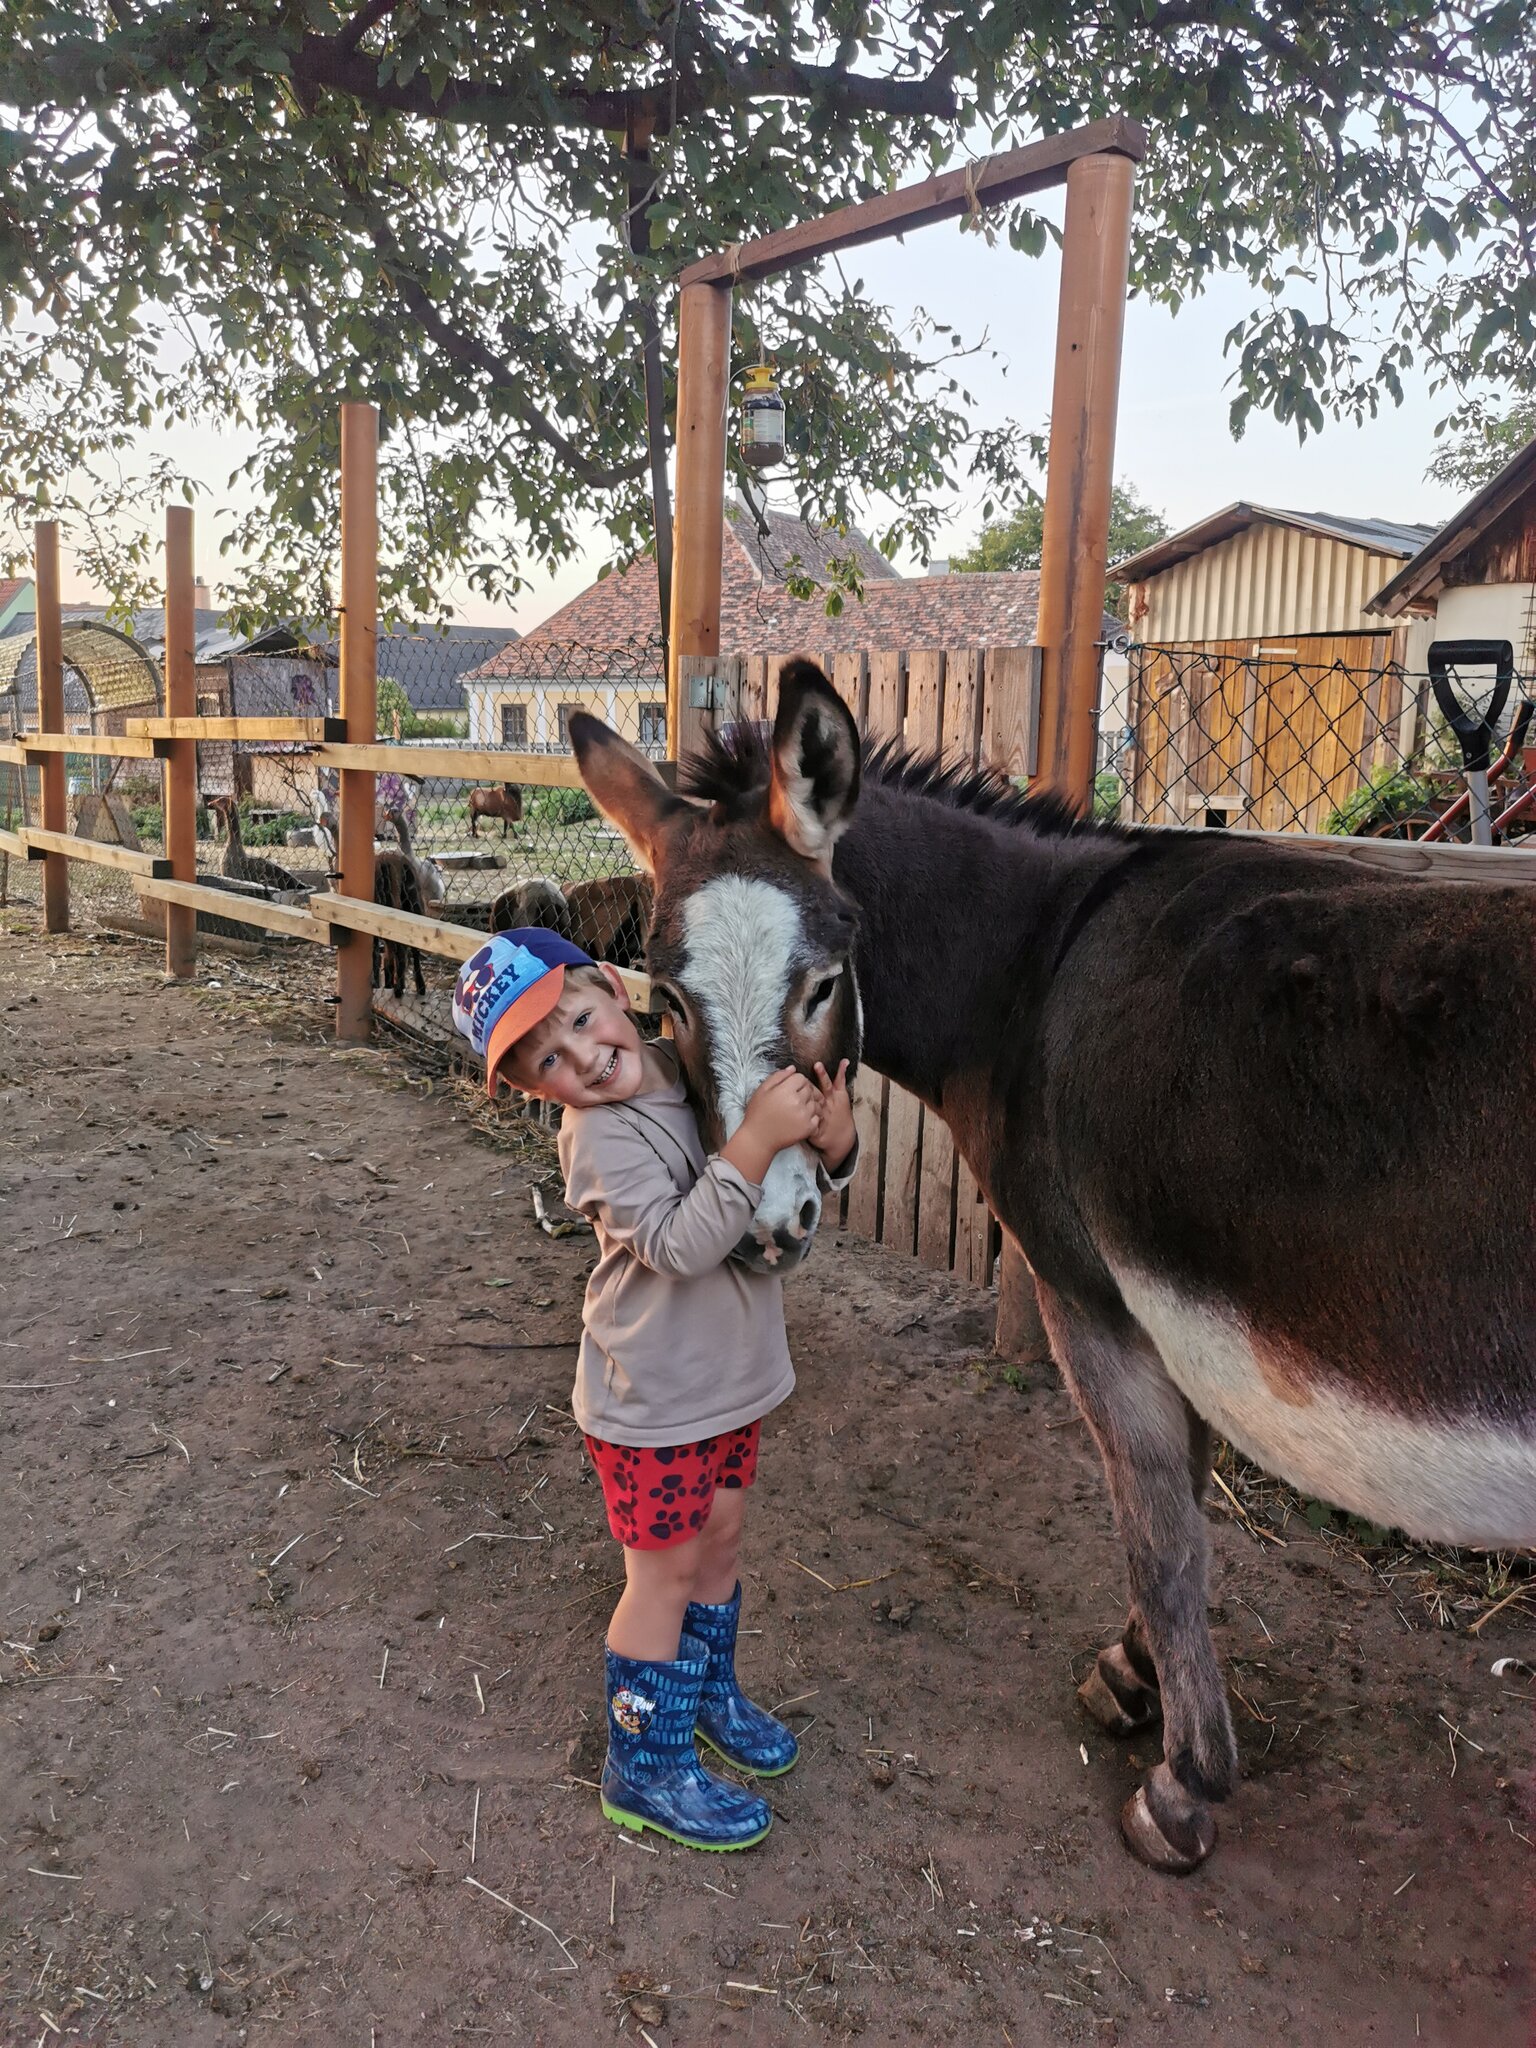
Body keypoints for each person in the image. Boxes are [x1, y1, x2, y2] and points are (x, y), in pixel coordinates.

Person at [452, 929, 857, 1851]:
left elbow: (794, 1177)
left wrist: (833, 1142)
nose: (587, 1057)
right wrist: (752, 1139)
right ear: (530, 1088)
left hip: (729, 1385)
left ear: (615, 990)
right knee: (661, 1578)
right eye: (548, 1058)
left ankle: (706, 1698)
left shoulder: (691, 1065)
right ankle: (644, 1763)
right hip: (654, 1402)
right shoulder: (595, 1143)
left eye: (585, 1019)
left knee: (720, 1544)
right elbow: (679, 1245)